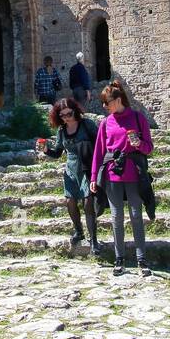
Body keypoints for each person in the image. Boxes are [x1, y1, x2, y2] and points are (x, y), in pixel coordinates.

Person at [91, 79, 153, 276]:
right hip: (112, 174)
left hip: (134, 173)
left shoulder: (137, 118)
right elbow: (99, 152)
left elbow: (148, 147)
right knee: (116, 217)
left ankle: (141, 259)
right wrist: (94, 177)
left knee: (136, 215)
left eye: (106, 102)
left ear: (117, 100)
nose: (104, 106)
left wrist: (138, 145)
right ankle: (120, 260)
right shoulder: (105, 123)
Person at [37, 97, 99, 253]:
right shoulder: (61, 131)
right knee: (70, 201)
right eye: (62, 116)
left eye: (69, 114)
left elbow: (100, 144)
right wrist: (46, 150)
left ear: (75, 111)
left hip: (86, 167)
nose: (66, 118)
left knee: (87, 202)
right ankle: (79, 231)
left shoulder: (87, 125)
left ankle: (94, 241)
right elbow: (58, 153)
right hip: (70, 170)